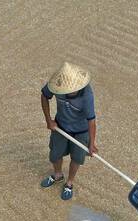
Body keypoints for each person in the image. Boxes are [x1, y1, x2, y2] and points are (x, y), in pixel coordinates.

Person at [39, 61, 97, 202]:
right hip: (61, 127)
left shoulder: (86, 95)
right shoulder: (57, 85)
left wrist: (92, 143)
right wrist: (49, 120)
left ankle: (69, 183)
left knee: (76, 159)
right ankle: (58, 175)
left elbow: (91, 120)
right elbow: (44, 96)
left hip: (81, 131)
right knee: (55, 155)